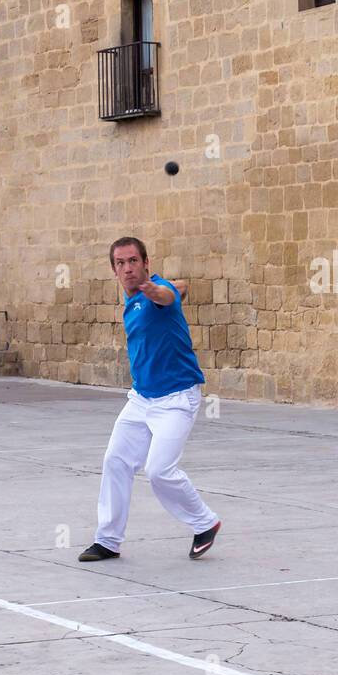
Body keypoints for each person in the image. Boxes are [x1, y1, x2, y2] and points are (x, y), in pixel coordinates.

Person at [79, 237, 220, 562]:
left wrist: (164, 291)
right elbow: (179, 288)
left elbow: (168, 294)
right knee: (115, 461)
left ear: (146, 263)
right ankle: (108, 541)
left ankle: (205, 523)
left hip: (177, 397)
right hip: (141, 398)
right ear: (113, 269)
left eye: (133, 261)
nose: (128, 268)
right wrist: (178, 287)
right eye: (121, 263)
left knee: (159, 470)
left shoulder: (155, 293)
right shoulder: (133, 300)